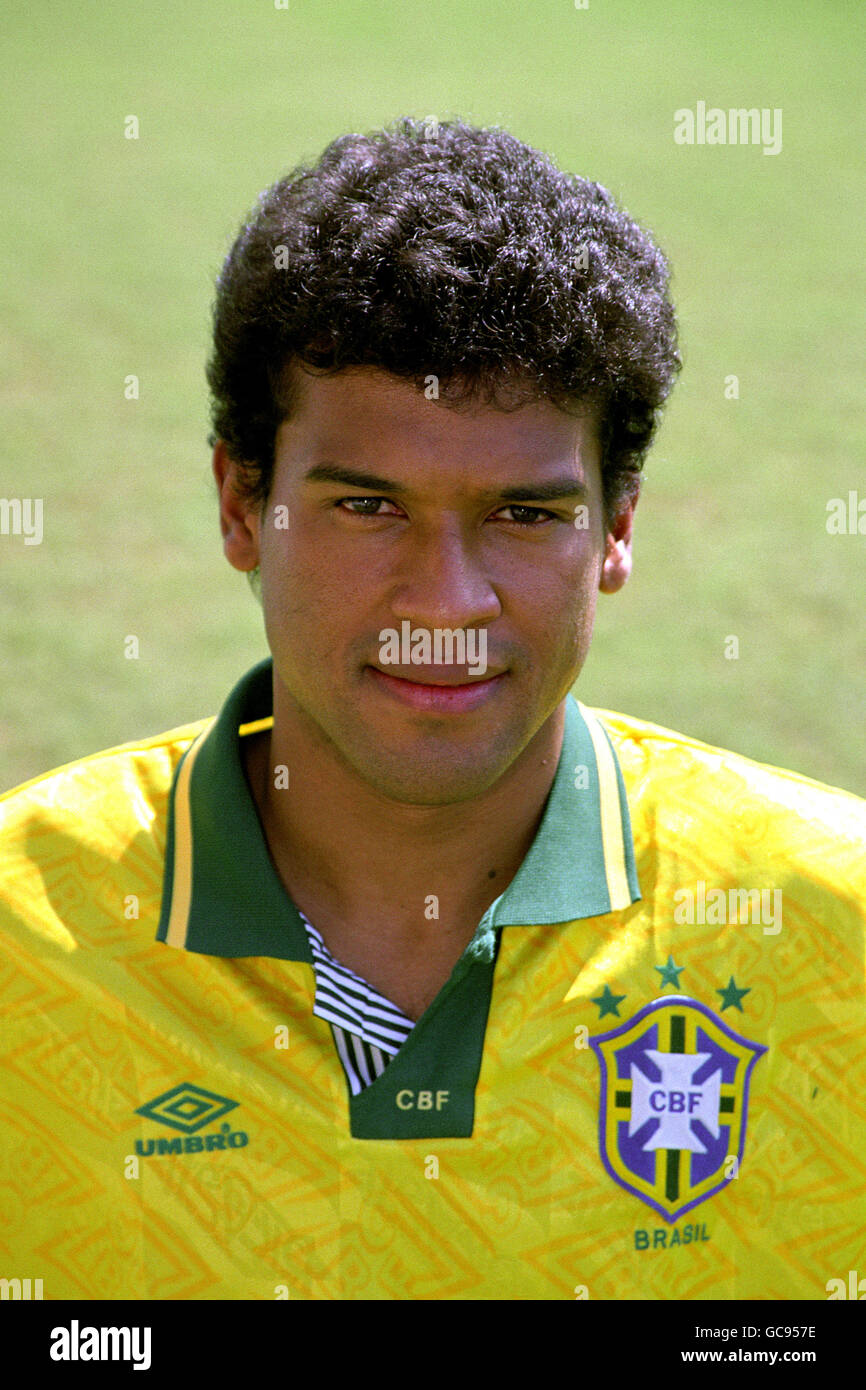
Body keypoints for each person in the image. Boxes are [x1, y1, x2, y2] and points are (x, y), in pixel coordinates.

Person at [1, 117, 863, 1302]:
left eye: (523, 513)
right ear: (241, 502)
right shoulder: (20, 936)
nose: (445, 602)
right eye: (366, 507)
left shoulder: (835, 927)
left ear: (615, 529)